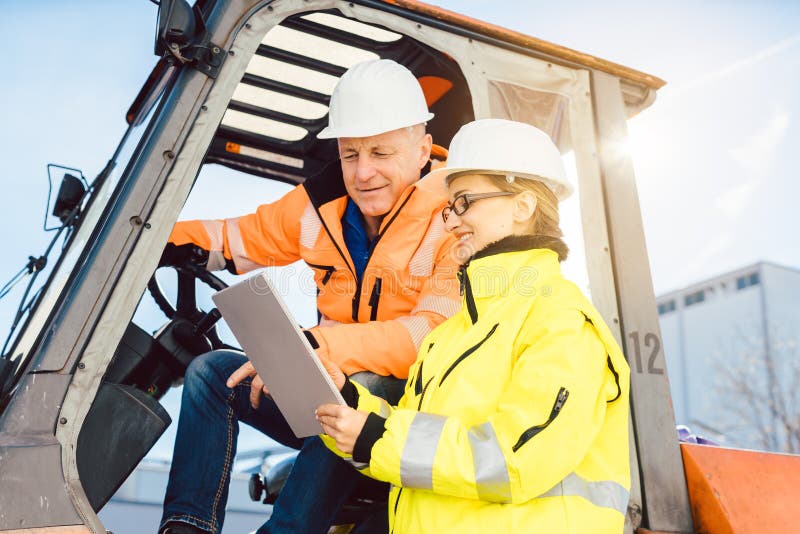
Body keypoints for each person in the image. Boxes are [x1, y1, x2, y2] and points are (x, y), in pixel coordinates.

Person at [158, 59, 462, 534]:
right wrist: (147, 240)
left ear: (423, 149)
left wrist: (315, 349)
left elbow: (429, 336)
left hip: (410, 409)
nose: (363, 173)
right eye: (349, 154)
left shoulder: (458, 217)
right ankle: (186, 526)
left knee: (364, 386)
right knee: (210, 373)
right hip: (329, 383)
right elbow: (237, 236)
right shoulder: (320, 204)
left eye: (381, 153)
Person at [317, 119, 631, 533]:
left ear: (523, 205)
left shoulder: (561, 321)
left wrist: (380, 436)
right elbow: (414, 444)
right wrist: (350, 404)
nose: (450, 222)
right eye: (449, 208)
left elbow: (514, 459)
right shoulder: (449, 336)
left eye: (464, 202)